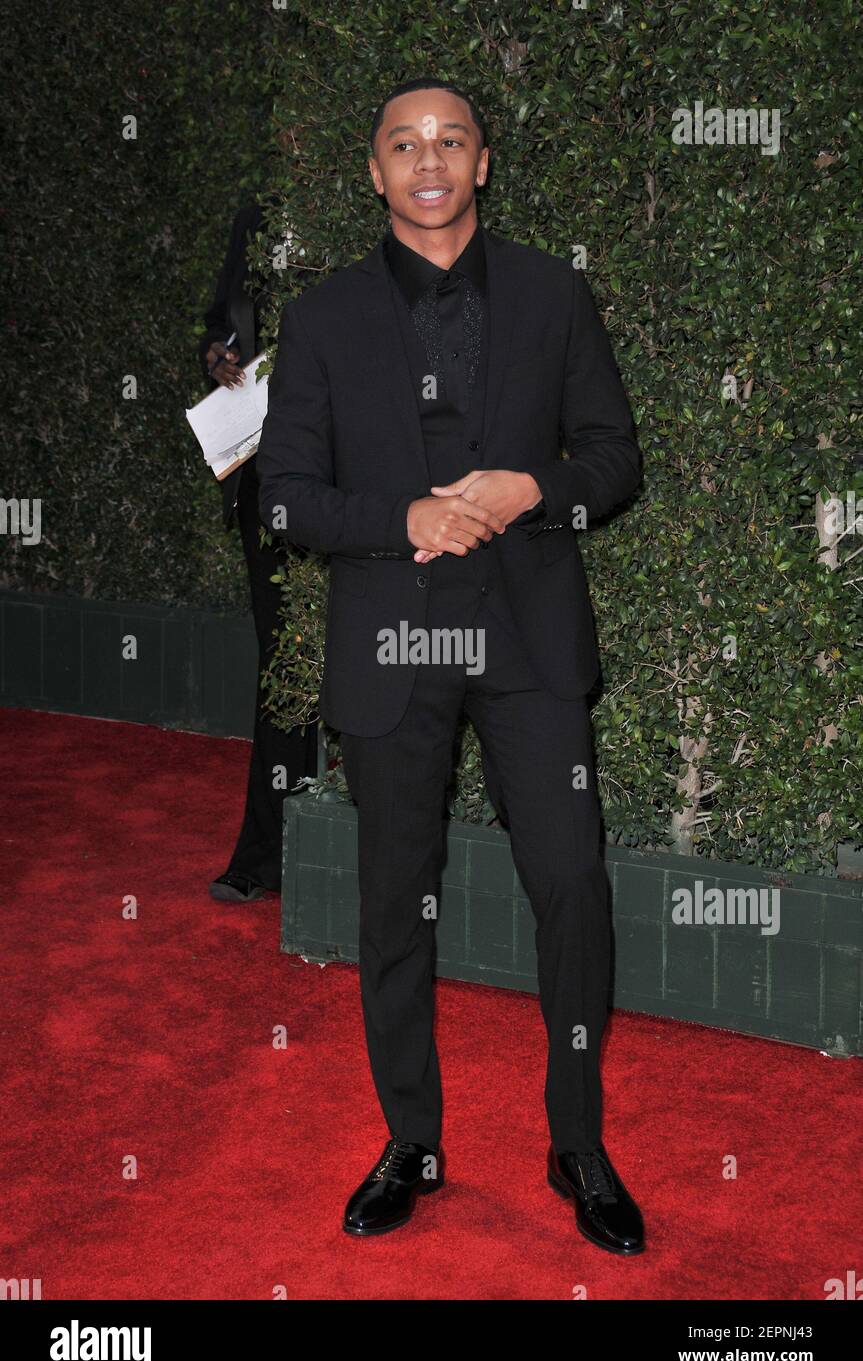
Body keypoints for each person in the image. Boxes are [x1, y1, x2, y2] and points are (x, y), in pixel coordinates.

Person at [256, 78, 645, 1253]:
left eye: (450, 141)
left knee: (571, 886)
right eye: (402, 144)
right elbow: (283, 500)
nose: (428, 161)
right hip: (391, 641)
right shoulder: (321, 319)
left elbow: (614, 459)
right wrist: (406, 518)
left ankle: (576, 1143)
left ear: (481, 164)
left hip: (526, 636)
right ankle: (410, 1142)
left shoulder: (550, 293)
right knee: (392, 904)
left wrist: (538, 487)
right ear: (373, 173)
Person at [198, 201, 318, 903]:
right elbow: (221, 320)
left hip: (352, 485)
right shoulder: (256, 218)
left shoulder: (386, 208)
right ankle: (263, 855)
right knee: (283, 666)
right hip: (262, 479)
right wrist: (217, 357)